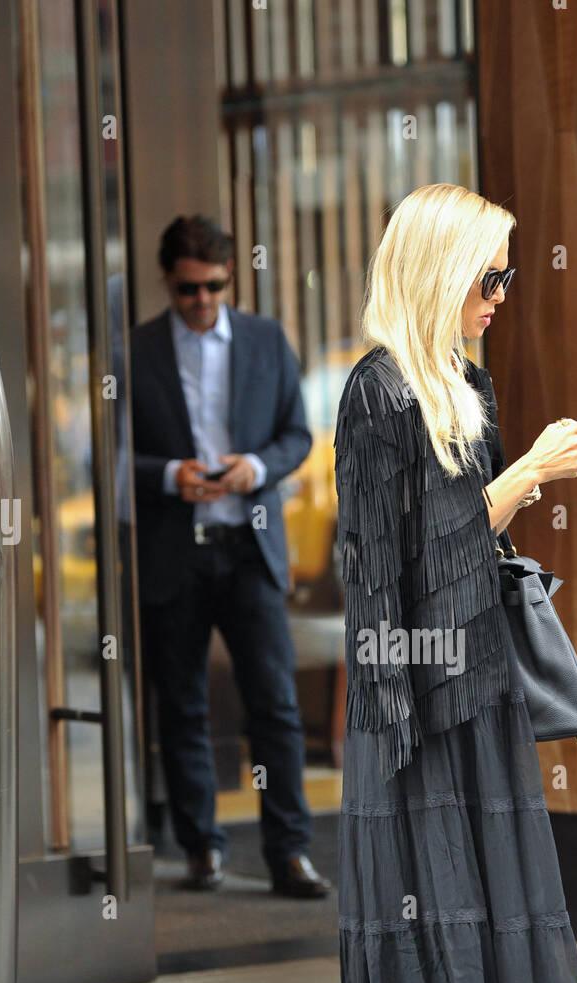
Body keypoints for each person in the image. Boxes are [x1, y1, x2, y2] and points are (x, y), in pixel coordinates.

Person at [333, 183, 577, 983]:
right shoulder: (376, 394)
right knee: (429, 917)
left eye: (508, 273)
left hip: (479, 691)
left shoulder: (467, 384)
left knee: (499, 913)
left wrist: (520, 485)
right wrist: (521, 480)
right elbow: (385, 575)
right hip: (408, 707)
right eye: (488, 273)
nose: (503, 293)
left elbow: (467, 555)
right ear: (436, 271)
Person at [129, 214, 330, 897]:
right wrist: (167, 475)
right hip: (173, 552)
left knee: (273, 704)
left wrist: (255, 466)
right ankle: (201, 849)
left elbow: (298, 436)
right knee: (181, 705)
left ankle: (289, 852)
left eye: (214, 287)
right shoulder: (136, 351)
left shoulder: (265, 340)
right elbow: (106, 461)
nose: (202, 301)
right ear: (168, 282)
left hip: (247, 547)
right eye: (189, 290)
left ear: (229, 280)